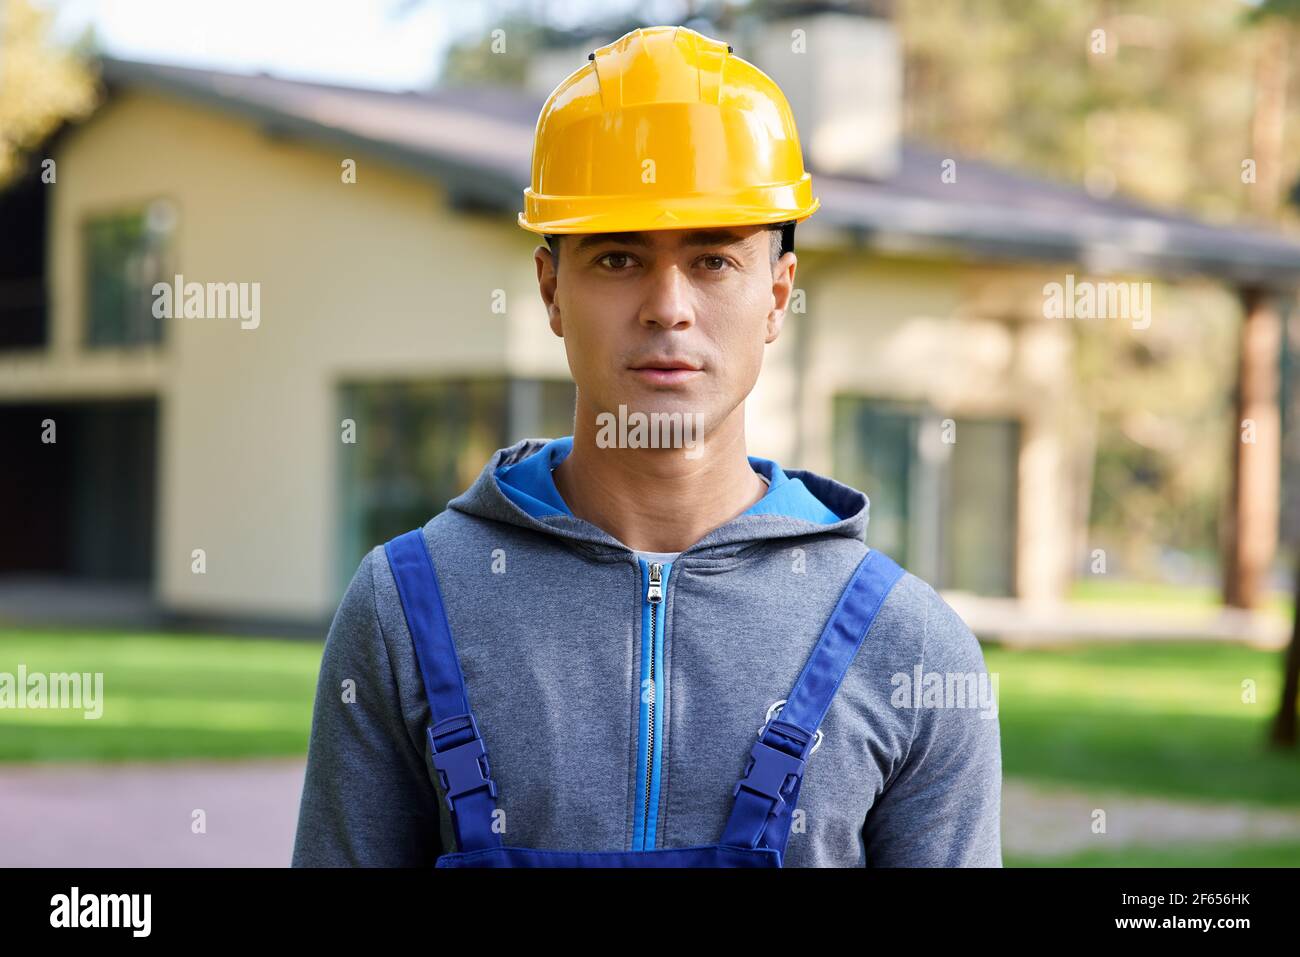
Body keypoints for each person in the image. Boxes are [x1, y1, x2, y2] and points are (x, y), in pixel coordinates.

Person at [291, 24, 1001, 868]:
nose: (668, 307)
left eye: (712, 261)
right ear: (551, 290)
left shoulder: (910, 645)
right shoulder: (407, 609)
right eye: (620, 257)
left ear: (777, 295)